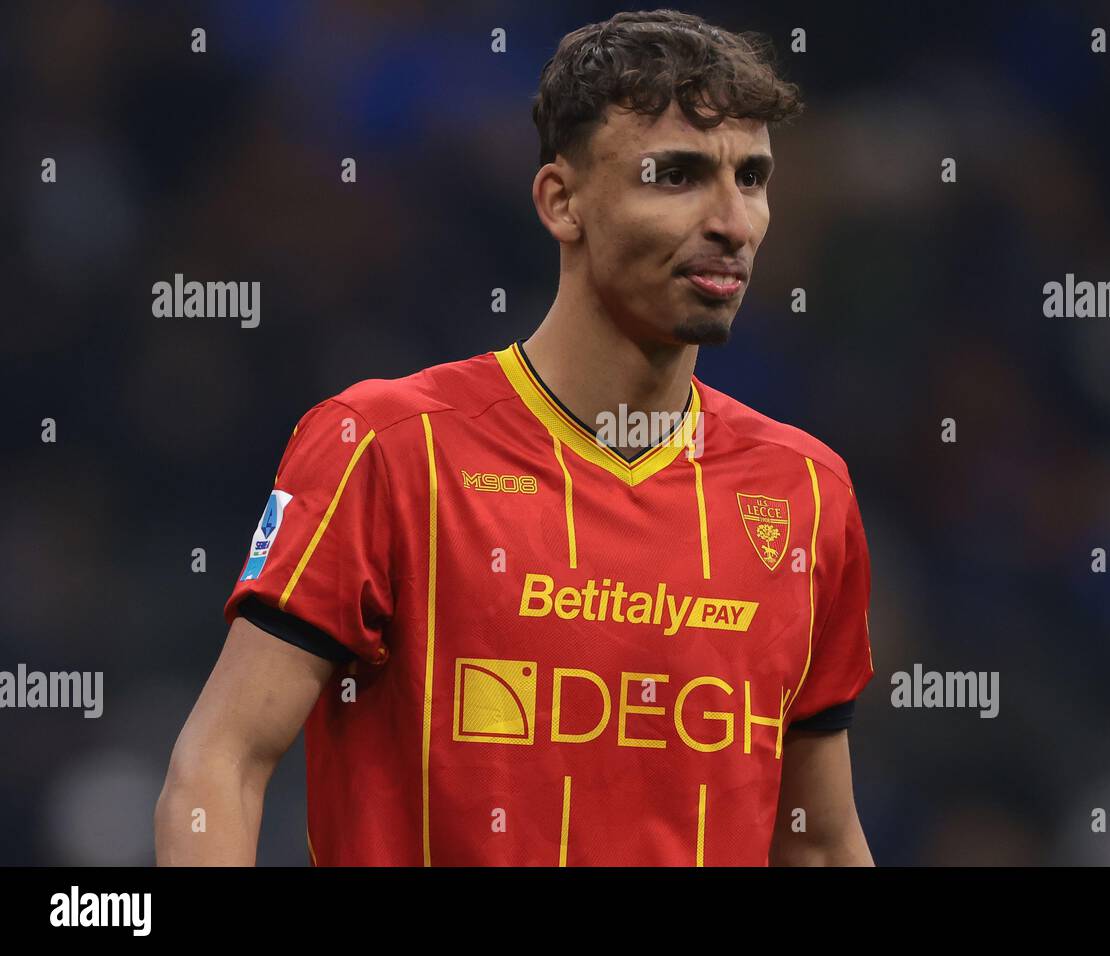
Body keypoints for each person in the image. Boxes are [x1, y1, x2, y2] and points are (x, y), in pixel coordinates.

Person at [156, 8, 876, 866]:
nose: (733, 221)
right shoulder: (388, 449)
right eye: (676, 176)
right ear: (561, 201)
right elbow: (220, 764)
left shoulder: (804, 491)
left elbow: (820, 843)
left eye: (751, 178)